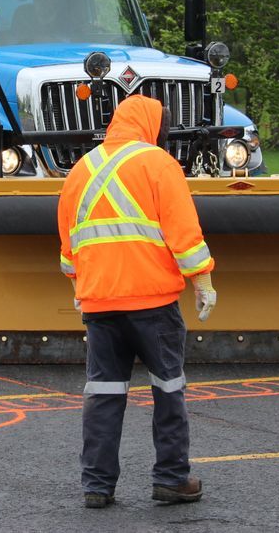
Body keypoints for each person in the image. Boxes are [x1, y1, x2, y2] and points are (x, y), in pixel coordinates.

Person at [57, 94, 217, 509]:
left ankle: (97, 486)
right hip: (152, 304)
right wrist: (202, 281)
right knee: (168, 388)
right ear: (153, 127)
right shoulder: (159, 164)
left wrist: (80, 287)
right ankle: (171, 479)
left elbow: (69, 247)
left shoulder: (80, 170)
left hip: (99, 304)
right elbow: (184, 234)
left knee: (103, 394)